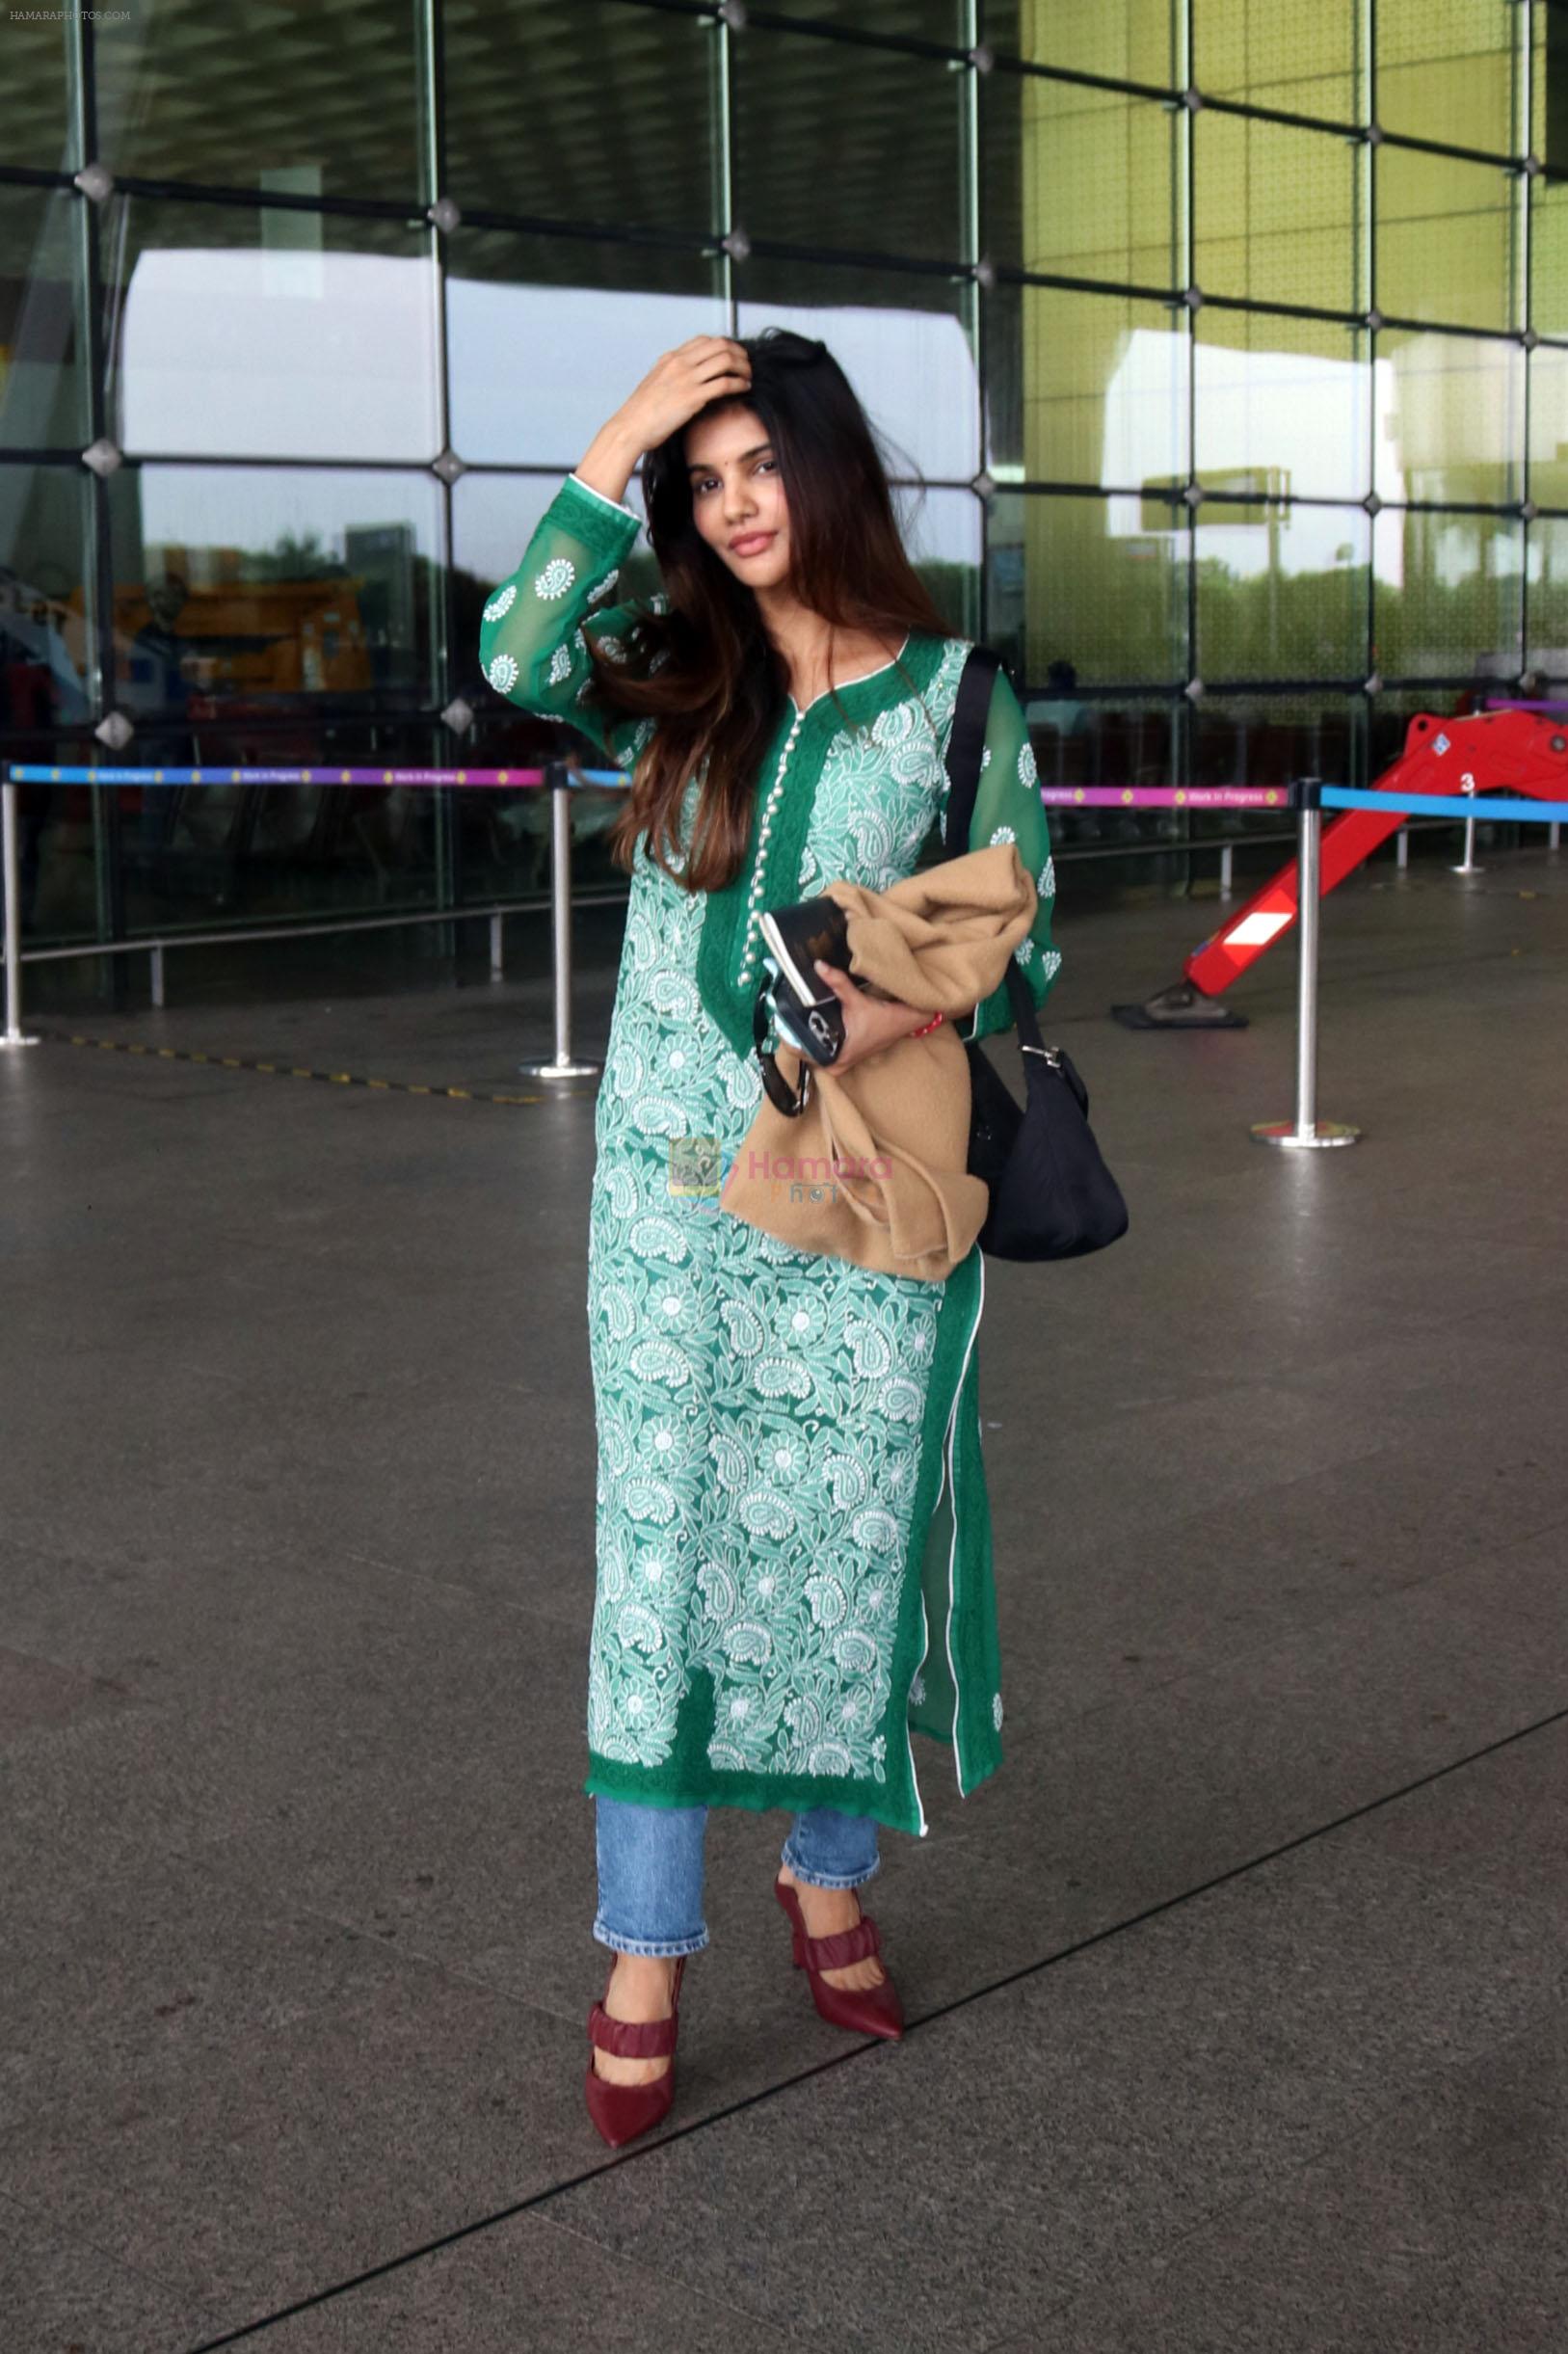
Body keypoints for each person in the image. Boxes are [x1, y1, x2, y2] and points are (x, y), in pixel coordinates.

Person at [478, 329, 1061, 2145]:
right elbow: (506, 654)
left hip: (854, 1207)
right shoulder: (666, 673)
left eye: (756, 467)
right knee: (656, 1578)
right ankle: (644, 1954)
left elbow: (1024, 932)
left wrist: (877, 1001)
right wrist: (622, 429)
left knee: (842, 1545)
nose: (734, 507)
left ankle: (823, 1879)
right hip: (661, 1217)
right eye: (702, 478)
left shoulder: (956, 692)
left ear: (827, 468)